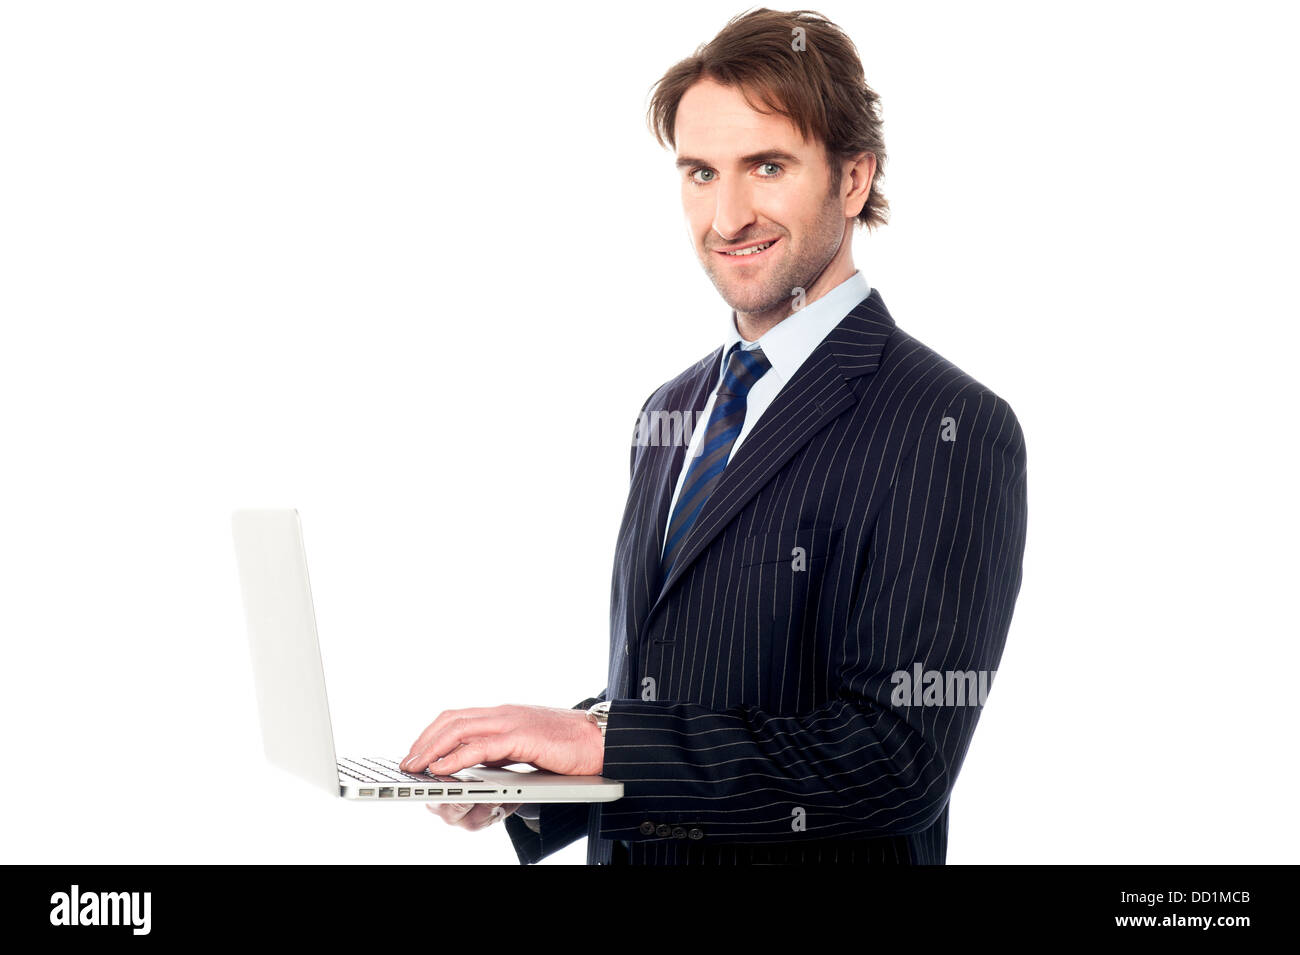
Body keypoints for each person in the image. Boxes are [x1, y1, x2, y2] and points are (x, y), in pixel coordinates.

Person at [401, 7, 1027, 865]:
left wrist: (603, 748)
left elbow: (898, 758)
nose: (727, 215)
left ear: (852, 178)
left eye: (767, 166)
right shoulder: (675, 409)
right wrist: (546, 767)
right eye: (700, 172)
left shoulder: (946, 425)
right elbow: (687, 686)